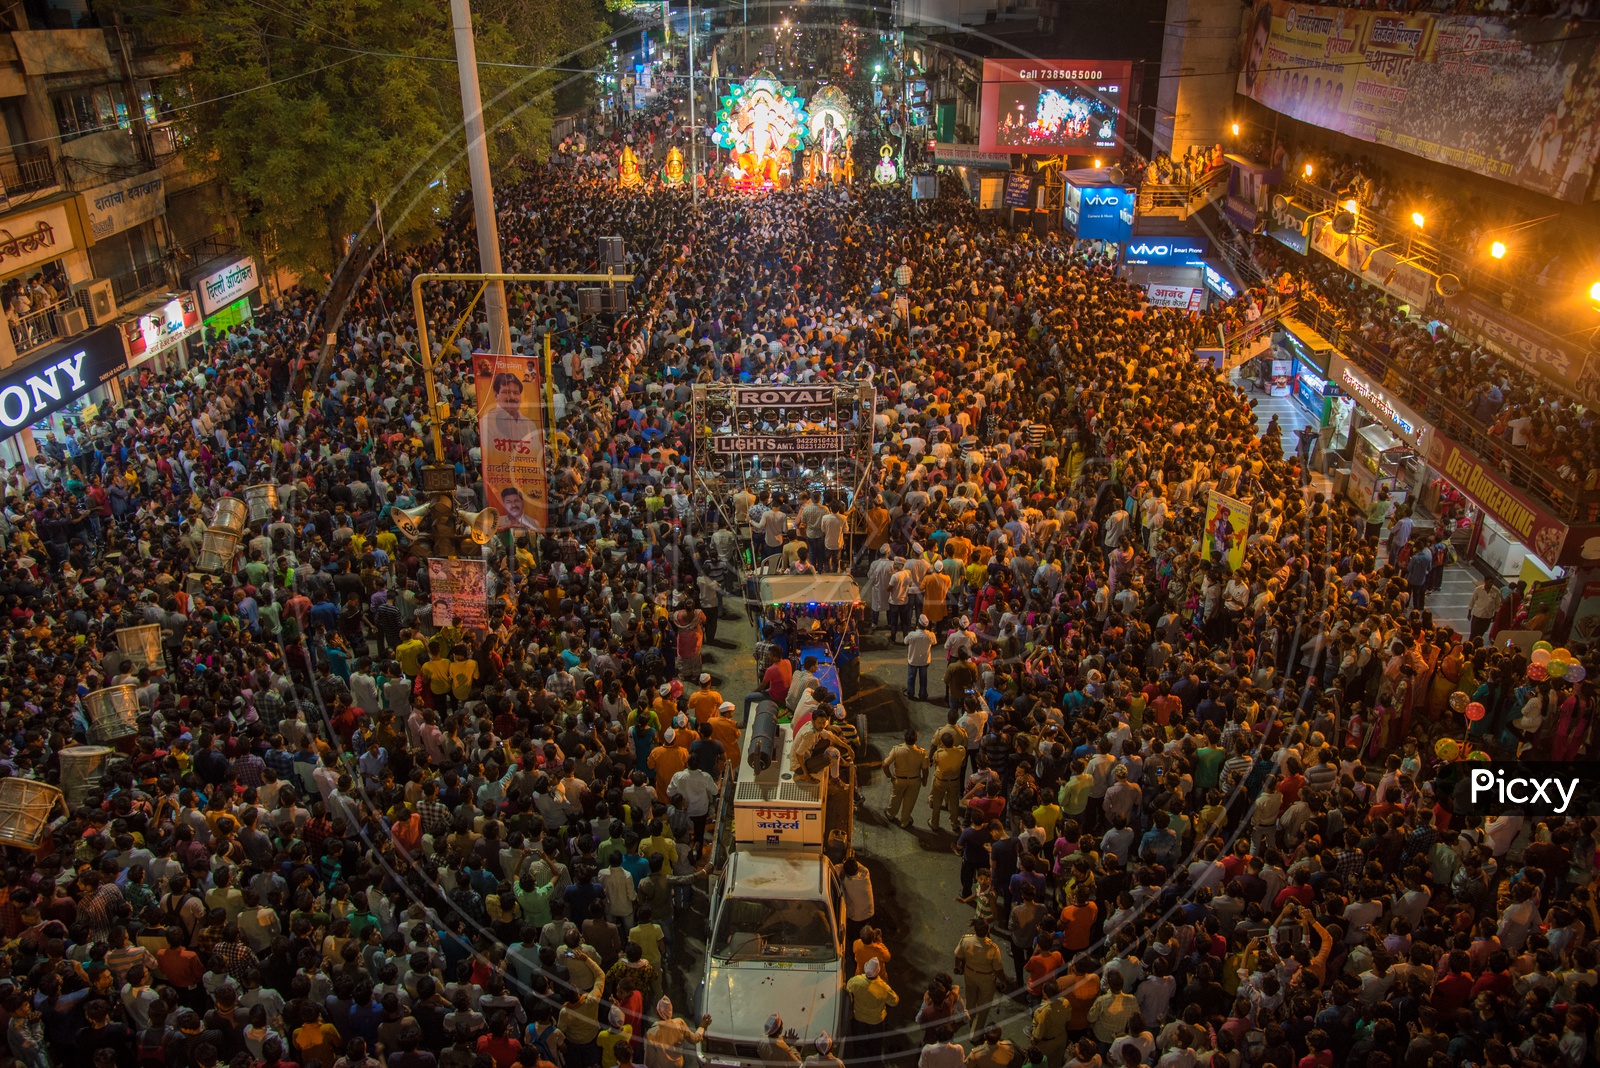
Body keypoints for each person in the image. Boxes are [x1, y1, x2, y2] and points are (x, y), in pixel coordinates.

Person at [954, 919, 1005, 1037]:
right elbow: (998, 969)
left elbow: (958, 955)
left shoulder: (966, 940)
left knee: (970, 997)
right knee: (983, 1006)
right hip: (986, 978)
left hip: (970, 973)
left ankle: (969, 1018)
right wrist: (1003, 980)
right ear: (988, 930)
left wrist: (958, 967)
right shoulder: (993, 948)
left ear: (974, 930)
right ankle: (975, 1035)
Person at [844, 957, 898, 1058]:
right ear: (878, 971)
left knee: (859, 1041)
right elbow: (894, 1001)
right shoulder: (883, 988)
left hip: (859, 1017)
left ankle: (859, 1056)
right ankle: (874, 1060)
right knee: (876, 1042)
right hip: (876, 1020)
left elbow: (848, 987)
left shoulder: (856, 981)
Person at [884, 728, 929, 829]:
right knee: (910, 801)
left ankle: (890, 814)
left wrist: (890, 776)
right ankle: (904, 821)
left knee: (895, 797)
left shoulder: (897, 750)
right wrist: (924, 778)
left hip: (899, 780)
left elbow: (885, 764)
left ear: (904, 738)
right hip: (914, 780)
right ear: (916, 740)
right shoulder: (921, 753)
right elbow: (925, 768)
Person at [905, 615, 936, 702]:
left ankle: (910, 694)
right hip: (924, 661)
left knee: (911, 677)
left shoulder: (912, 635)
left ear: (918, 624)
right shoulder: (931, 635)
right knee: (923, 679)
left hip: (913, 660)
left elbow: (905, 641)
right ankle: (923, 695)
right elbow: (934, 642)